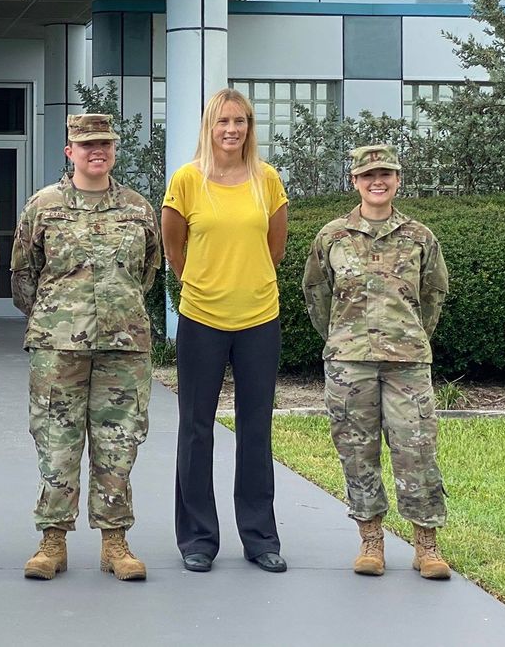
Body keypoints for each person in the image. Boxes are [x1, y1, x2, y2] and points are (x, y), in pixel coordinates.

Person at [11, 114, 161, 582]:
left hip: (123, 347)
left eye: (106, 144)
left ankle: (115, 542)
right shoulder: (44, 205)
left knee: (118, 446)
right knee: (57, 444)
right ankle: (52, 540)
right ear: (69, 150)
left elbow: (148, 271)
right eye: (87, 144)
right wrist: (60, 316)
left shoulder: (138, 209)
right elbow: (22, 275)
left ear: (115, 150)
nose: (98, 151)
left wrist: (115, 312)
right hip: (58, 347)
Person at [302, 144, 451, 579]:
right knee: (356, 448)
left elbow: (433, 294)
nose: (377, 181)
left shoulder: (421, 237)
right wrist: (339, 337)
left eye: (385, 174)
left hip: (407, 362)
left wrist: (412, 334)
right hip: (350, 363)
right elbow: (316, 293)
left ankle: (427, 544)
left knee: (416, 448)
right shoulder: (332, 237)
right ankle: (371, 540)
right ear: (354, 181)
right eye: (368, 176)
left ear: (398, 180)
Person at [161, 87, 289, 574]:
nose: (231, 130)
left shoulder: (267, 181)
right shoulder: (187, 181)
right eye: (222, 122)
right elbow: (175, 251)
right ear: (209, 127)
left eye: (240, 121)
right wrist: (207, 283)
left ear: (249, 128)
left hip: (259, 318)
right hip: (201, 320)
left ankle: (260, 538)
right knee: (196, 429)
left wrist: (243, 281)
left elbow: (274, 250)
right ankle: (197, 538)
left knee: (256, 430)